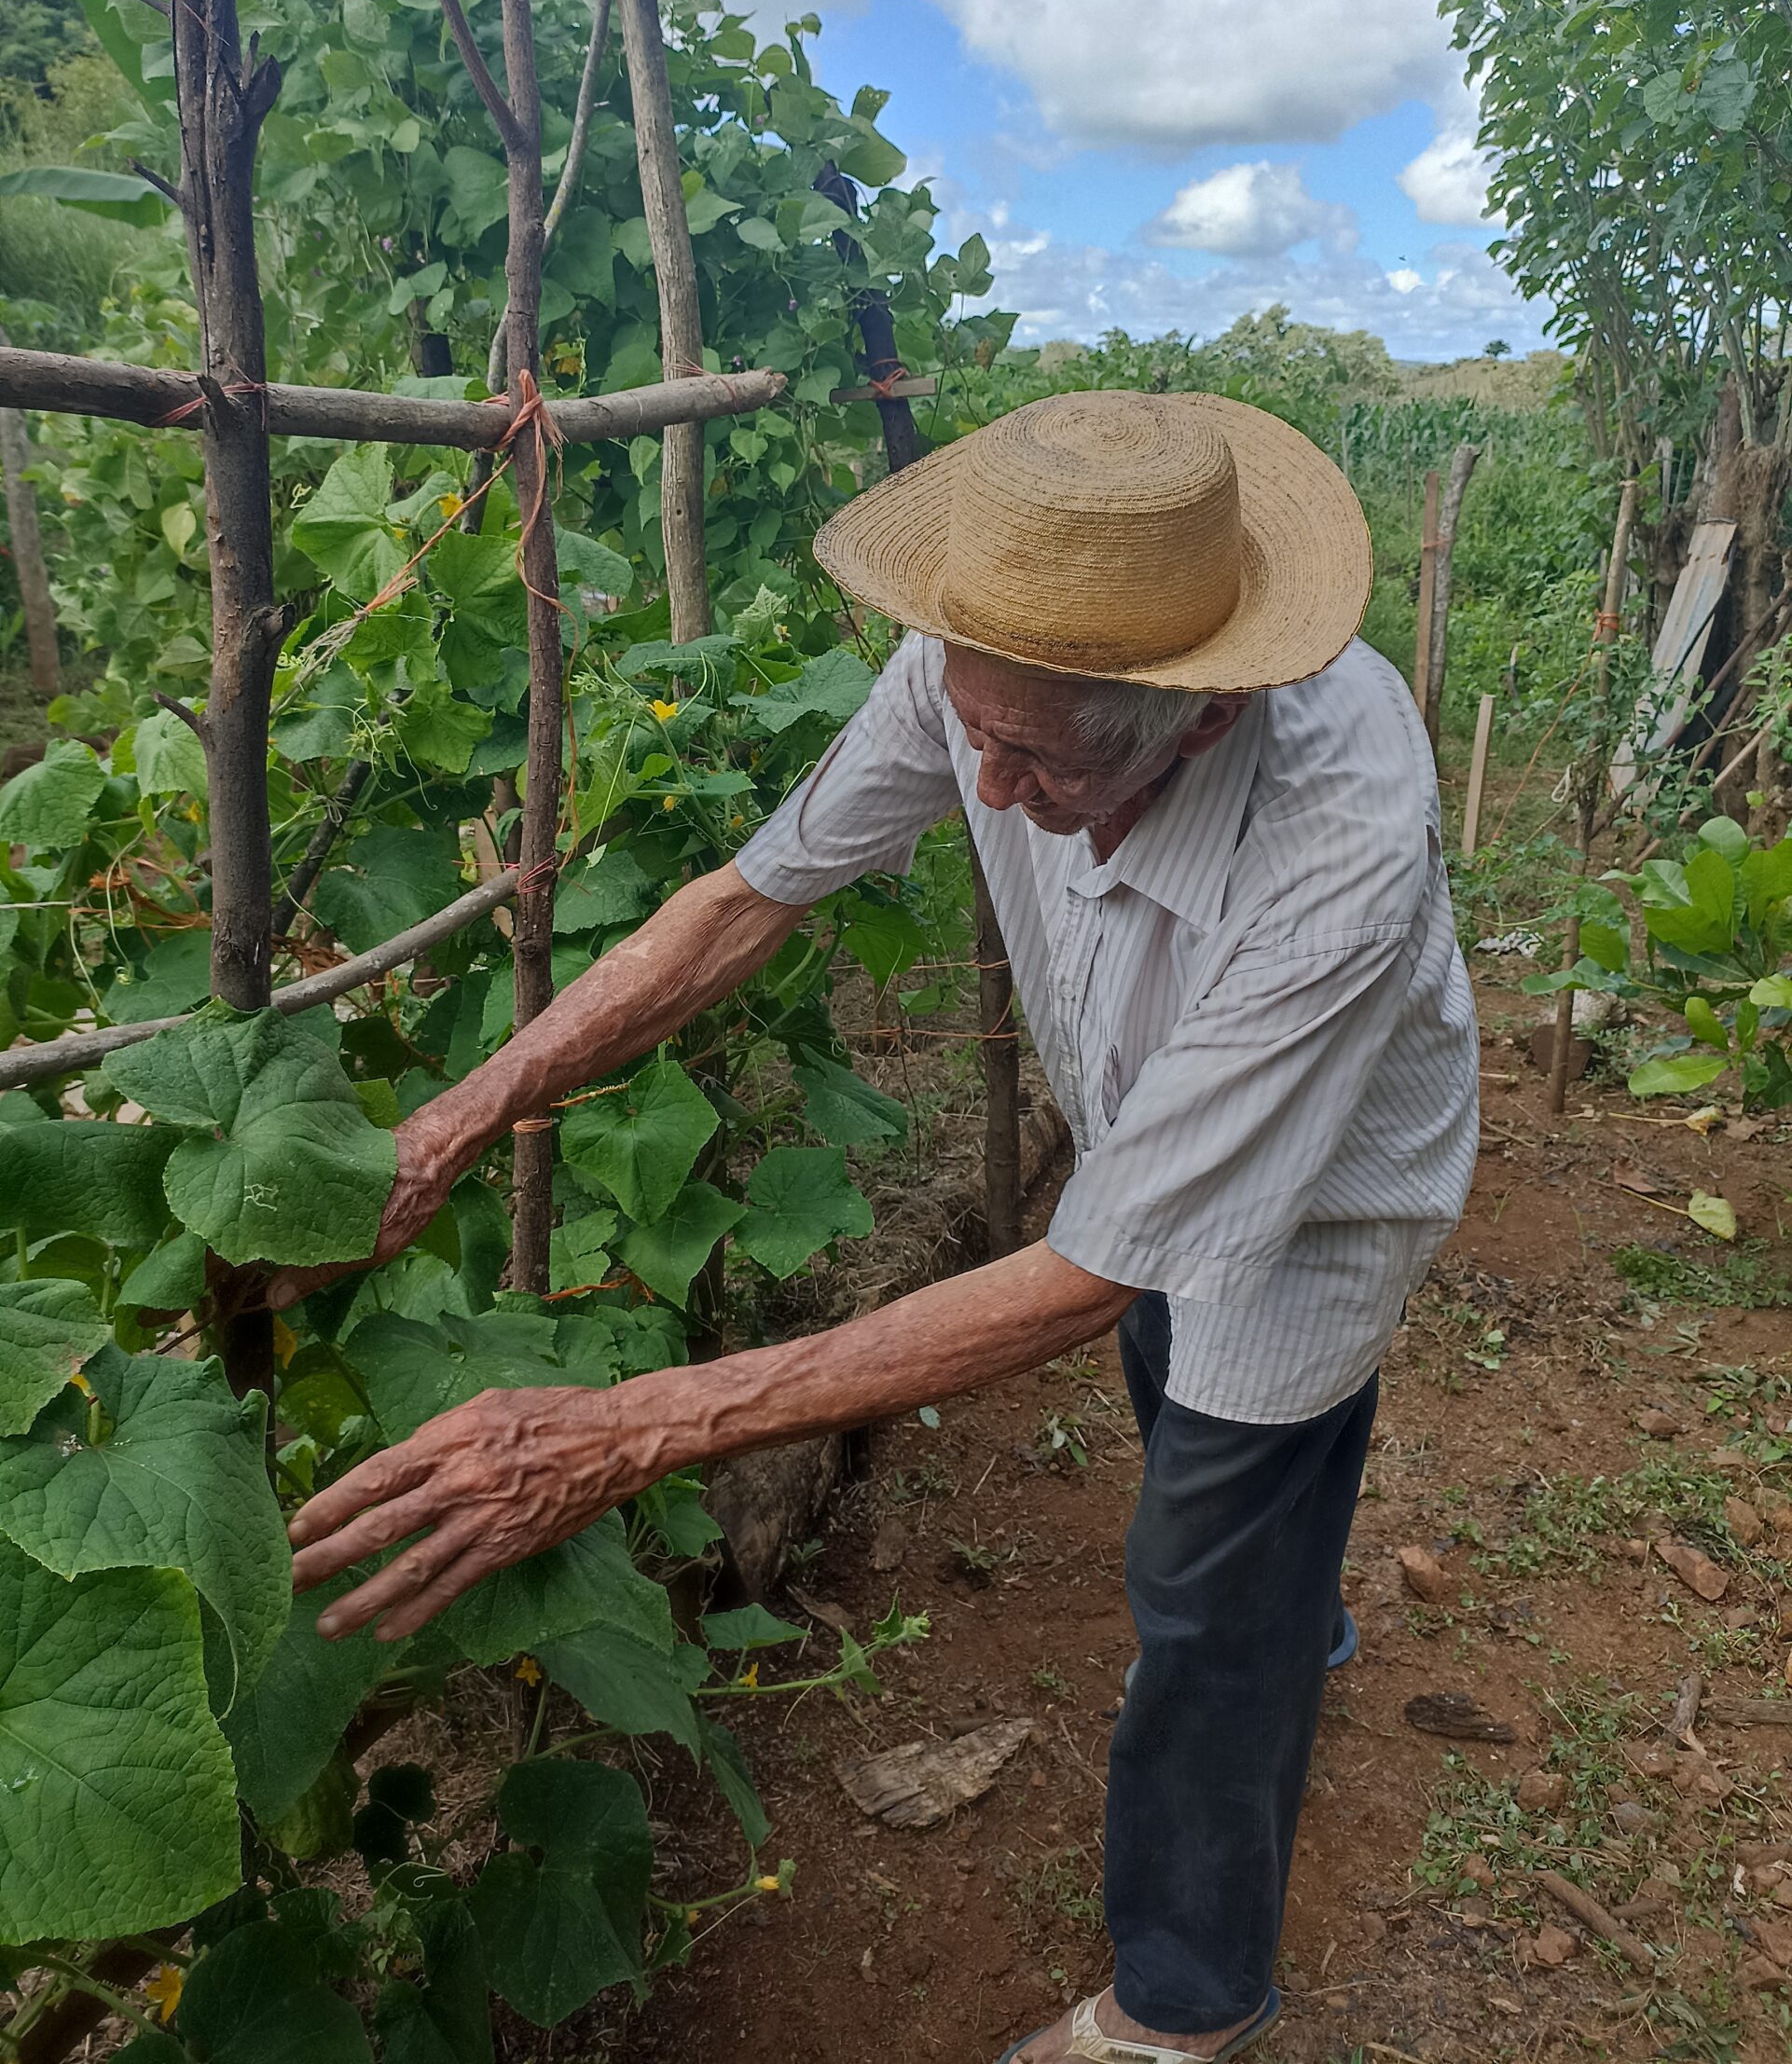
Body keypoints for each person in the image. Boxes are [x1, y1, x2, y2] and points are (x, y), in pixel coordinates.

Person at [277, 390, 1479, 2064]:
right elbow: (748, 901)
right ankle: (1297, 1607)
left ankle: (1185, 2002)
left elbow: (1089, 1269)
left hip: (1325, 1198)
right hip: (1143, 1139)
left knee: (1207, 1573)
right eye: (972, 732)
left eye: (1036, 762)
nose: (982, 782)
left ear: (1202, 717)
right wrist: (450, 1127)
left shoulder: (1334, 845)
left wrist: (625, 1428)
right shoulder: (997, 662)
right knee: (1181, 1403)